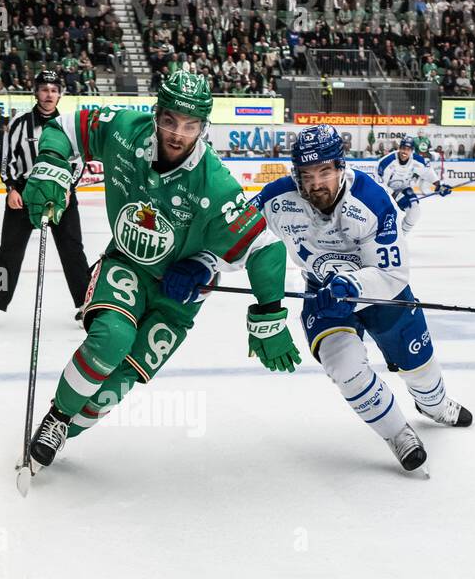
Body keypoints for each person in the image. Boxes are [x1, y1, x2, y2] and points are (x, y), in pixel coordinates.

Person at [19, 70, 299, 471]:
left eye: (190, 125)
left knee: (116, 385)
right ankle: (56, 418)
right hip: (127, 264)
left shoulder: (215, 184)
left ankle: (68, 429)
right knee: (111, 340)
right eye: (170, 120)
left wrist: (268, 312)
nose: (177, 133)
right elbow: (65, 126)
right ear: (156, 114)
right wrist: (51, 164)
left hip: (178, 298)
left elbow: (262, 248)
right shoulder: (124, 130)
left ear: (203, 127)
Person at [253, 125, 473, 473]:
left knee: (420, 370)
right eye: (306, 174)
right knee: (345, 369)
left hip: (381, 295)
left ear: (341, 167)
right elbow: (234, 237)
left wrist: (351, 286)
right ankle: (398, 433)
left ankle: (435, 404)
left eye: (325, 171)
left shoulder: (372, 200)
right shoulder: (276, 199)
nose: (315, 183)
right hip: (322, 296)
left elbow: (392, 275)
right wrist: (202, 263)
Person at [0, 70, 91, 325]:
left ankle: (86, 303)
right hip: (24, 192)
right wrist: (11, 188)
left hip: (59, 192)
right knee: (9, 250)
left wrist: (68, 187)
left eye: (54, 90)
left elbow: (78, 161)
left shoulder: (68, 124)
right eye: (44, 89)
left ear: (60, 94)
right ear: (36, 92)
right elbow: (6, 159)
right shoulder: (19, 123)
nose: (49, 94)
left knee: (72, 249)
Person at [376, 137, 451, 235]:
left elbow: (428, 173)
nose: (404, 152)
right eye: (403, 148)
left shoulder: (417, 160)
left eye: (408, 149)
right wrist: (394, 195)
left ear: (412, 150)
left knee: (415, 211)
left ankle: (401, 236)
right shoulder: (386, 161)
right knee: (383, 216)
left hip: (404, 188)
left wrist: (439, 185)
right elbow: (380, 184)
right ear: (399, 148)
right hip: (385, 191)